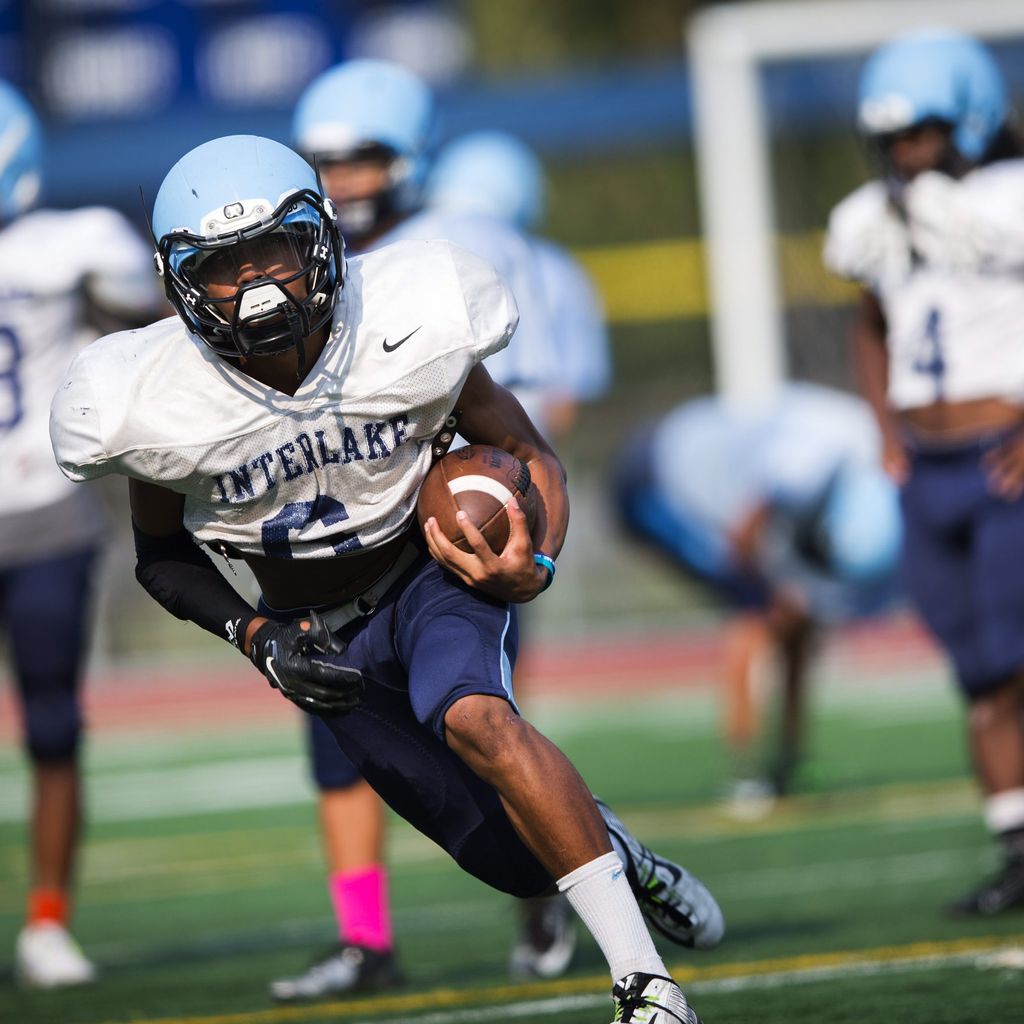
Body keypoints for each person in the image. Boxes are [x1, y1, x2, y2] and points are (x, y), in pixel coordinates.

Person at [49, 134, 723, 1024]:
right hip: (320, 637)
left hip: (431, 574)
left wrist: (538, 557)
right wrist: (255, 637)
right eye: (224, 266)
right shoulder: (152, 395)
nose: (256, 285)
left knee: (476, 716)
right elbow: (161, 558)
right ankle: (620, 852)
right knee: (504, 857)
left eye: (274, 253)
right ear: (181, 284)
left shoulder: (402, 312)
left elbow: (524, 450)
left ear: (318, 241)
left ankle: (645, 985)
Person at [279, 61, 608, 990]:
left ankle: (550, 898)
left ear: (411, 159)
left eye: (365, 158)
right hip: (327, 539)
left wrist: (482, 493)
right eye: (327, 160)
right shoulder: (292, 255)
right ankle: (365, 939)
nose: (342, 180)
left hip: (444, 542)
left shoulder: (461, 249)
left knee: (482, 724)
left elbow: (528, 406)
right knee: (334, 731)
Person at [824, 28, 1024, 915]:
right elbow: (870, 320)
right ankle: (1017, 852)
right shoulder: (878, 219)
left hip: (1005, 459)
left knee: (1017, 662)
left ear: (972, 120)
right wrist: (885, 426)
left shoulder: (1010, 195)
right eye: (893, 138)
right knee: (980, 672)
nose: (907, 152)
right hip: (931, 470)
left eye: (923, 132)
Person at [0, 81, 163, 986]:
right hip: (44, 514)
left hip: (45, 517)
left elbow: (137, 337)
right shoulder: (80, 242)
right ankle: (47, 921)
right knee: (54, 729)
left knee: (54, 727)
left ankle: (47, 920)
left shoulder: (74, 245)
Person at [613, 383, 901, 806]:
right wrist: (782, 588)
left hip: (721, 479)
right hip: (656, 478)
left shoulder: (868, 469)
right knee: (759, 614)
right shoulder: (811, 464)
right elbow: (742, 541)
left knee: (799, 615)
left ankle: (789, 758)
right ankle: (746, 773)